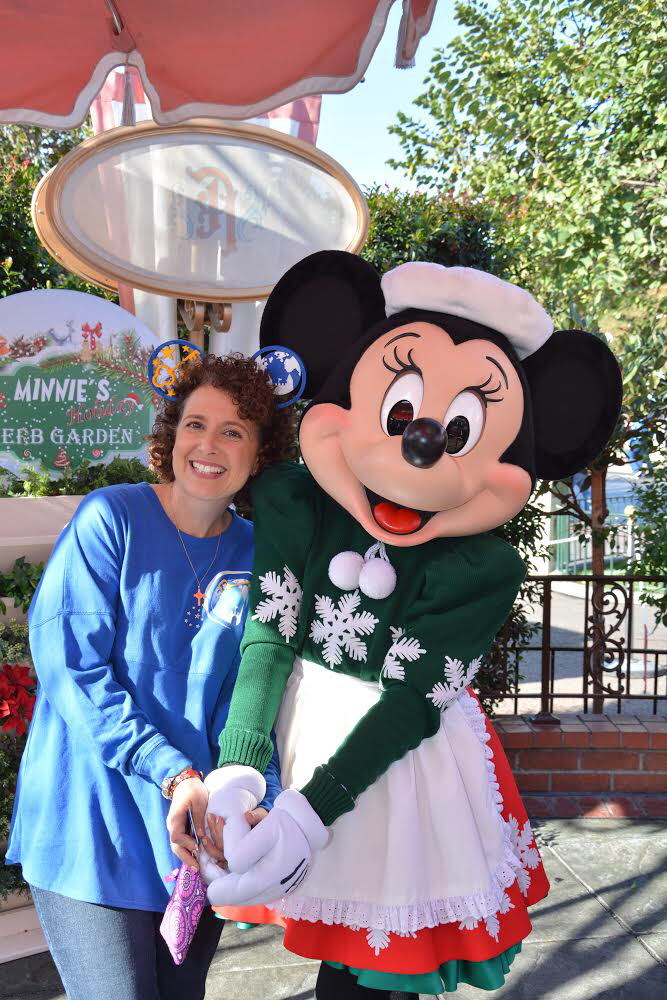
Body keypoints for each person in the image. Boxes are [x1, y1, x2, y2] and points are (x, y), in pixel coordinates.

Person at [190, 251, 622, 998]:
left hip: (400, 764)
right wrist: (238, 764)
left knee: (382, 963)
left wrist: (310, 812)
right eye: (400, 414)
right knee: (340, 954)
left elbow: (411, 703)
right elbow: (271, 631)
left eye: (458, 428)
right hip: (305, 735)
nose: (419, 444)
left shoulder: (477, 567)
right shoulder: (300, 504)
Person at [5, 351, 296, 1000]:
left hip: (194, 837)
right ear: (170, 436)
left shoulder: (258, 554)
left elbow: (251, 696)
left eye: (233, 431)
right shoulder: (110, 520)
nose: (209, 445)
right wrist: (175, 772)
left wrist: (253, 797)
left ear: (258, 453)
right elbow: (72, 669)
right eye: (196, 424)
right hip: (91, 827)